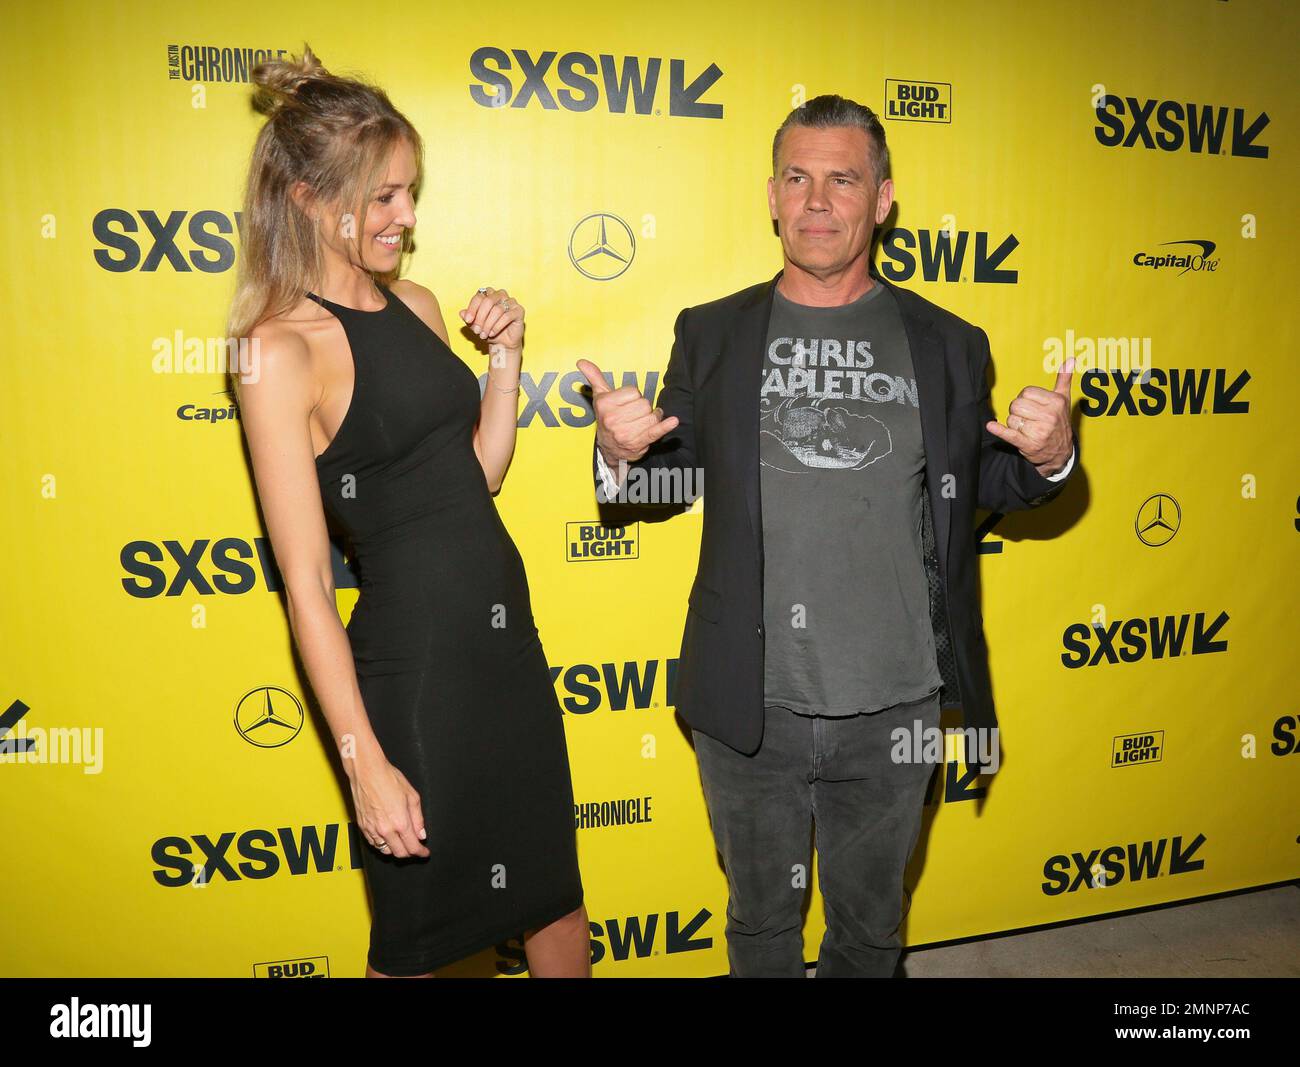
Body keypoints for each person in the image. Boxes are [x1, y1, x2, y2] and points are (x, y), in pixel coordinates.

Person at [578, 94, 1077, 977]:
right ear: (771, 195)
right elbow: (666, 478)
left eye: (843, 179)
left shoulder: (950, 341)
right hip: (748, 703)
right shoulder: (713, 331)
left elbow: (981, 485)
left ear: (882, 199)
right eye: (797, 178)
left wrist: (1051, 455)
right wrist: (620, 453)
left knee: (871, 930)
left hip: (896, 702)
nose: (817, 201)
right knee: (760, 926)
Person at [229, 46, 588, 978]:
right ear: (310, 199)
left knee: (557, 910)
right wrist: (363, 761)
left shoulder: (420, 306)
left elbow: (481, 474)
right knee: (418, 947)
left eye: (410, 192)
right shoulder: (277, 352)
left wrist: (506, 357)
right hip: (416, 685)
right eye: (383, 195)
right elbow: (306, 585)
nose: (408, 216)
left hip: (507, 658)